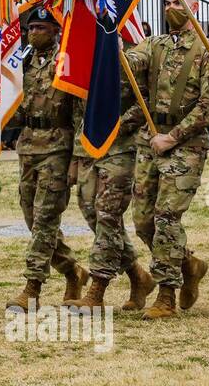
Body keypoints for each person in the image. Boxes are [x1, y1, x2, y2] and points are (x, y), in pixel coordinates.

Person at [124, 0, 209, 319]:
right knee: (142, 221)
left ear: (194, 7)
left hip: (186, 144)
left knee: (167, 216)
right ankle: (189, 264)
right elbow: (132, 60)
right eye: (166, 3)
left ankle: (167, 292)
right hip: (151, 138)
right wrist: (113, 45)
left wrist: (174, 136)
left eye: (178, 3)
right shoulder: (155, 45)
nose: (170, 8)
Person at [5, 8, 87, 309]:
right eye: (31, 28)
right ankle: (72, 270)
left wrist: (77, 158)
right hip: (28, 146)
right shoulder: (25, 62)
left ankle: (32, 287)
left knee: (45, 218)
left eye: (40, 27)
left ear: (55, 30)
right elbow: (21, 108)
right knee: (32, 217)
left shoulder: (66, 62)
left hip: (57, 148)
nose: (33, 33)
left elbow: (79, 114)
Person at [66, 69, 154, 311]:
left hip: (120, 147)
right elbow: (77, 108)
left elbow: (145, 99)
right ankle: (138, 277)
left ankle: (97, 291)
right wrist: (75, 155)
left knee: (107, 214)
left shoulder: (129, 60)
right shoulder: (83, 55)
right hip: (88, 148)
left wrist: (114, 125)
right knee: (91, 212)